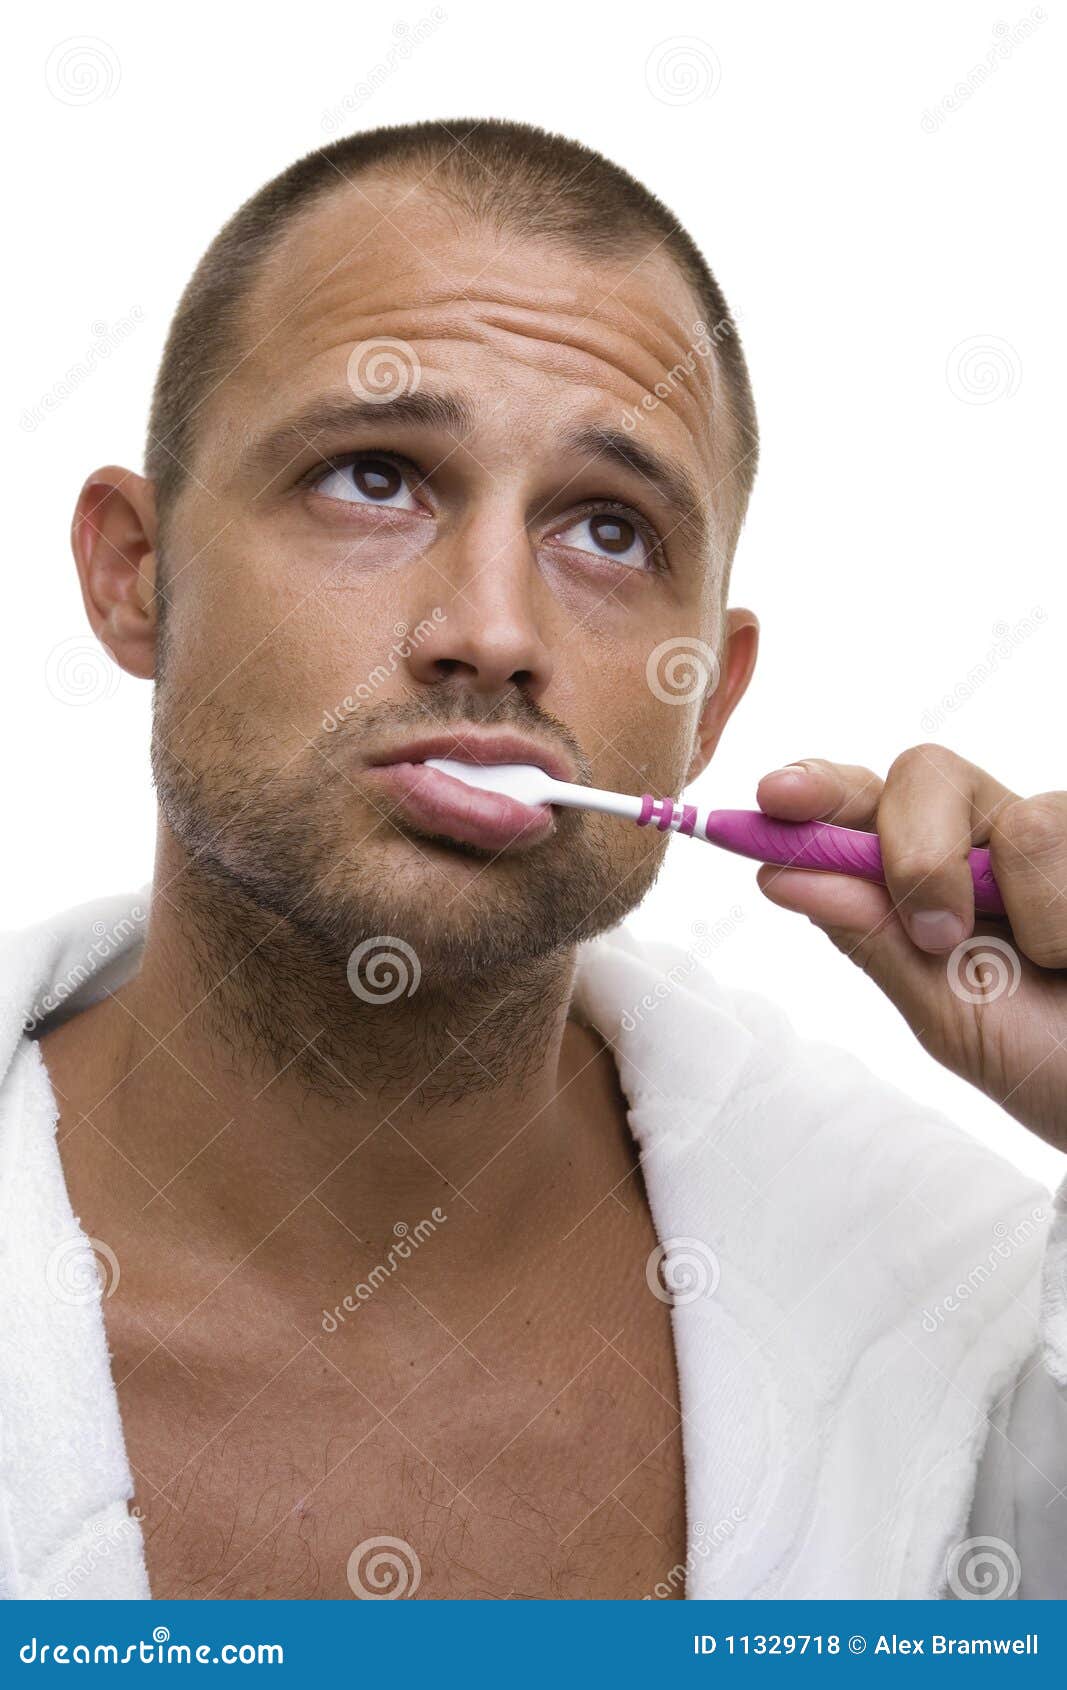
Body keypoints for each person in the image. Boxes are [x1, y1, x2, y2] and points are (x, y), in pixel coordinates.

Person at [2, 117, 1063, 1603]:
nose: (494, 632)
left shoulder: (975, 1337)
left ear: (708, 704)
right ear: (135, 574)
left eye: (610, 531)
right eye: (375, 477)